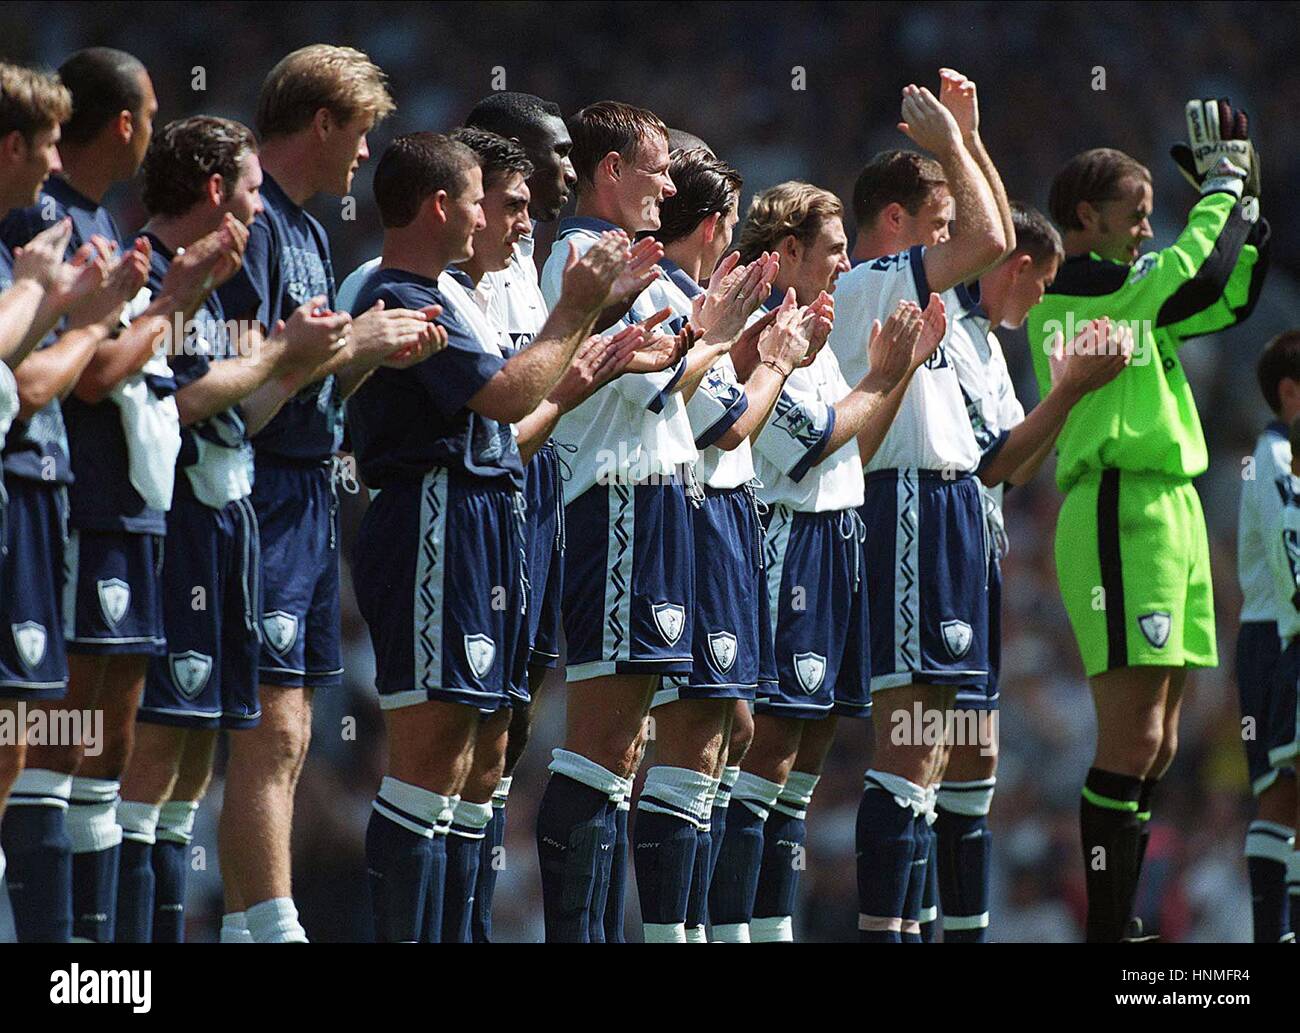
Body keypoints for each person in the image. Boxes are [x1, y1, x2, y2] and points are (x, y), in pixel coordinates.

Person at [346, 131, 636, 942]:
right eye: (479, 199)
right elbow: (506, 395)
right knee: (431, 751)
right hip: (432, 520)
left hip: (476, 523)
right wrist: (579, 308)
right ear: (441, 205)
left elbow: (511, 414)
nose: (486, 217)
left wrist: (577, 366)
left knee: (477, 754)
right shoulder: (396, 293)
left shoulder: (449, 293)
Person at [1026, 98, 1269, 941]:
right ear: (1084, 219)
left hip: (1170, 508)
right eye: (1135, 217)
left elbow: (1224, 295)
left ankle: (1120, 916)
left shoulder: (1138, 295)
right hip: (1116, 510)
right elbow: (1190, 268)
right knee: (1129, 739)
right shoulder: (1068, 294)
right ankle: (1107, 922)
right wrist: (1222, 190)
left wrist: (1248, 212)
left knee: (1160, 740)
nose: (1145, 232)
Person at [213, 44, 438, 945]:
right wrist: (356, 345)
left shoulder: (306, 231)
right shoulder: (254, 223)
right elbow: (251, 385)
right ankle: (264, 927)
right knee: (265, 728)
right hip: (260, 495)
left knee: (294, 727)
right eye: (361, 131)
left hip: (308, 500)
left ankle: (264, 920)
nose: (364, 153)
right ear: (322, 121)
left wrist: (366, 357)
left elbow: (310, 386)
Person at [113, 114, 350, 943]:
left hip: (222, 530)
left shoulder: (209, 289)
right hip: (171, 530)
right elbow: (178, 403)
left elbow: (240, 409)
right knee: (153, 753)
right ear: (216, 191)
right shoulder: (147, 284)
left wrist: (298, 359)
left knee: (187, 762)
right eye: (252, 191)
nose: (261, 207)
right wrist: (282, 350)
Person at [830, 70, 1008, 942]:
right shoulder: (870, 285)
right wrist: (951, 147)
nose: (951, 246)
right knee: (906, 752)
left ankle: (913, 931)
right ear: (894, 223)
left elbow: (993, 236)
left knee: (931, 755)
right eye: (932, 226)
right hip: (902, 505)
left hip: (947, 511)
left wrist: (963, 146)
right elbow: (988, 236)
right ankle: (884, 932)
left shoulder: (908, 287)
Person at [533, 100, 701, 943]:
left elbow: (672, 363)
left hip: (649, 497)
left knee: (622, 751)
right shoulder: (581, 254)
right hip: (614, 497)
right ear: (610, 171)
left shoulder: (638, 261)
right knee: (598, 747)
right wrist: (707, 338)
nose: (669, 184)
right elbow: (640, 371)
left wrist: (702, 336)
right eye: (656, 166)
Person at [940, 200, 1129, 940]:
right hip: (938, 556)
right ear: (1016, 266)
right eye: (1045, 281)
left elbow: (1012, 470)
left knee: (969, 767)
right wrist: (1068, 390)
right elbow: (993, 462)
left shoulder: (990, 347)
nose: (1046, 298)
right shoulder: (953, 334)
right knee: (928, 758)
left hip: (977, 554)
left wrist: (1064, 392)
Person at [1236, 330, 1300, 942]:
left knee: (1288, 793)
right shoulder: (1274, 454)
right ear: (1290, 391)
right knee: (1282, 791)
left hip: (1280, 634)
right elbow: (1288, 552)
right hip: (1280, 636)